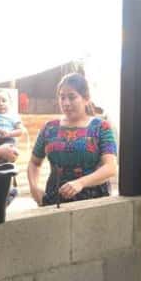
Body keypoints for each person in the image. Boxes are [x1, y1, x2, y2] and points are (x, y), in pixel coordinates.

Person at [27, 73, 117, 206]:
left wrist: (81, 182)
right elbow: (34, 163)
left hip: (93, 201)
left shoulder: (100, 127)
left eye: (72, 97)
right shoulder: (49, 128)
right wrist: (34, 188)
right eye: (62, 97)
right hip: (54, 199)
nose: (66, 103)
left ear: (86, 98)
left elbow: (110, 167)